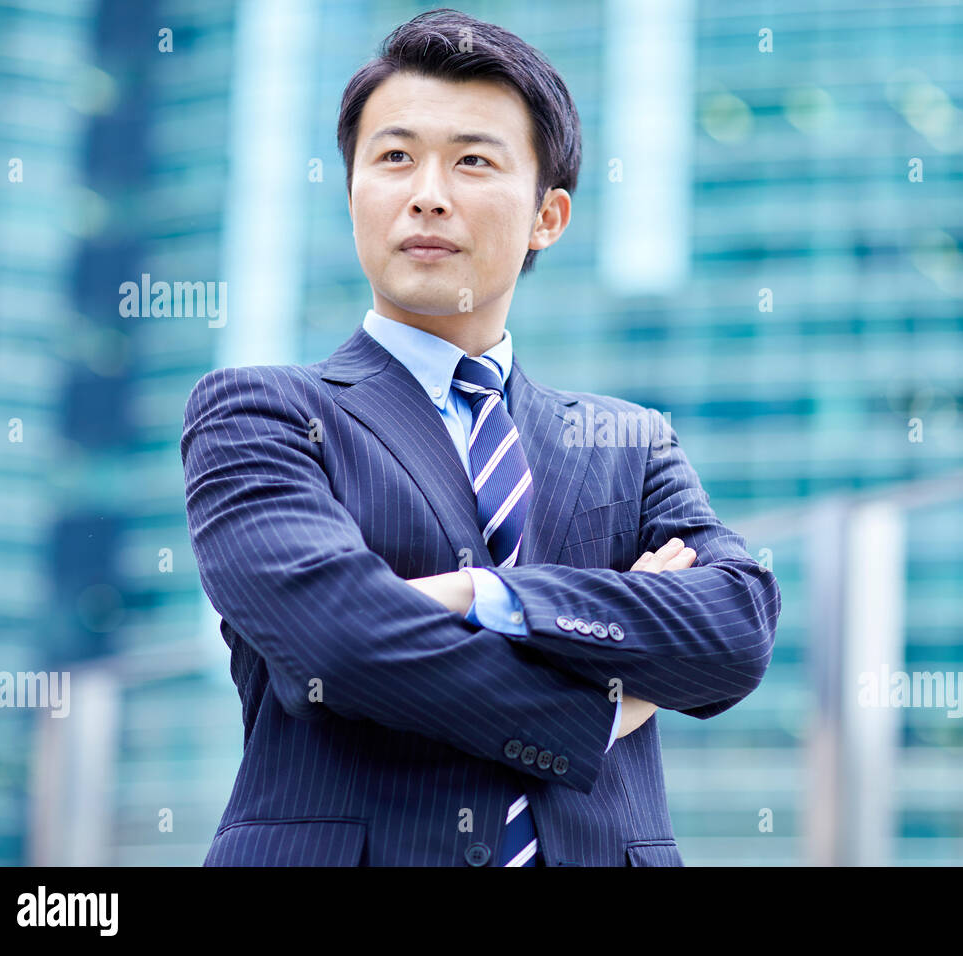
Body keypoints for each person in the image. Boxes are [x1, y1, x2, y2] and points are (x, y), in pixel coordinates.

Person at [180, 7, 780, 866]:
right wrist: (600, 705)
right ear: (352, 189)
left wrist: (480, 595)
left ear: (548, 216)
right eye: (394, 157)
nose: (427, 191)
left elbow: (733, 629)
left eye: (472, 160)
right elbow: (340, 641)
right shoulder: (258, 413)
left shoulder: (630, 441)